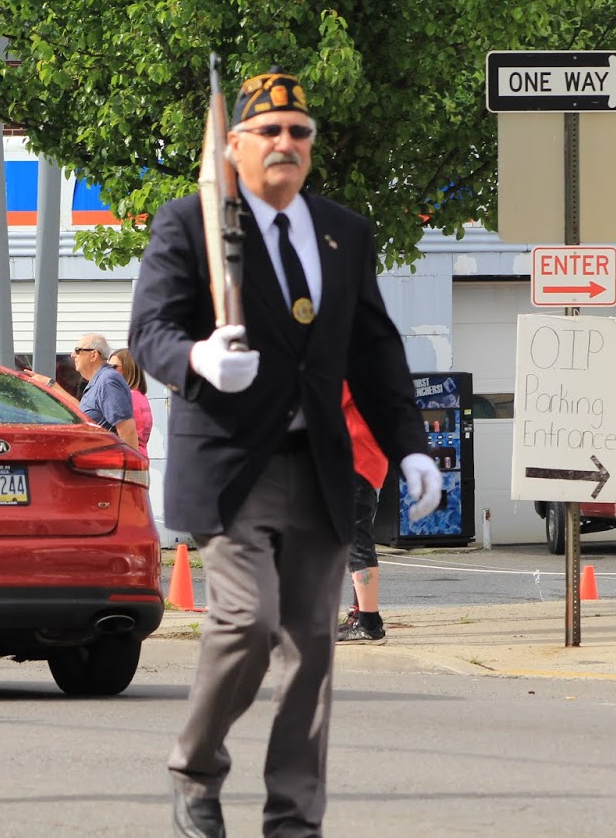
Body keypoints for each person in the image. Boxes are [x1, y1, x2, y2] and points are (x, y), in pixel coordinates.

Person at [129, 67, 443, 838]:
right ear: (234, 145)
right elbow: (150, 333)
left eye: (299, 132)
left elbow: (373, 347)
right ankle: (196, 767)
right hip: (237, 462)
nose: (285, 144)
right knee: (246, 620)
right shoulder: (191, 222)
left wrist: (411, 446)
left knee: (310, 649)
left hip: (321, 466)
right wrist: (198, 358)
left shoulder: (341, 231)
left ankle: (294, 819)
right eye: (268, 132)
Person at [338, 381, 391, 643]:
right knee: (355, 542)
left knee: (357, 544)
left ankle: (369, 623)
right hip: (365, 462)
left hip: (354, 463)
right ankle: (360, 614)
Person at [71, 333, 140, 451]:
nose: (73, 355)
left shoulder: (107, 381)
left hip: (107, 465)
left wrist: (130, 467)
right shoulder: (98, 381)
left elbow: (127, 429)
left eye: (78, 350)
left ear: (93, 355)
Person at [108, 348, 153, 457]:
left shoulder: (127, 397)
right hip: (141, 456)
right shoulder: (141, 396)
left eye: (113, 367)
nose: (108, 372)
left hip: (128, 458)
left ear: (129, 369)